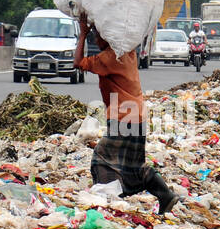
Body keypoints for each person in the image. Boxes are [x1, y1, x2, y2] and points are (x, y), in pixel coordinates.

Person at [74, 21, 180, 214]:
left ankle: (109, 199)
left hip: (123, 116)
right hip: (137, 115)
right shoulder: (128, 53)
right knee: (134, 163)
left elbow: (77, 63)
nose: (95, 39)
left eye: (97, 36)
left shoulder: (108, 58)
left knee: (101, 156)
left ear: (107, 37)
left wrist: (81, 34)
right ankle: (166, 195)